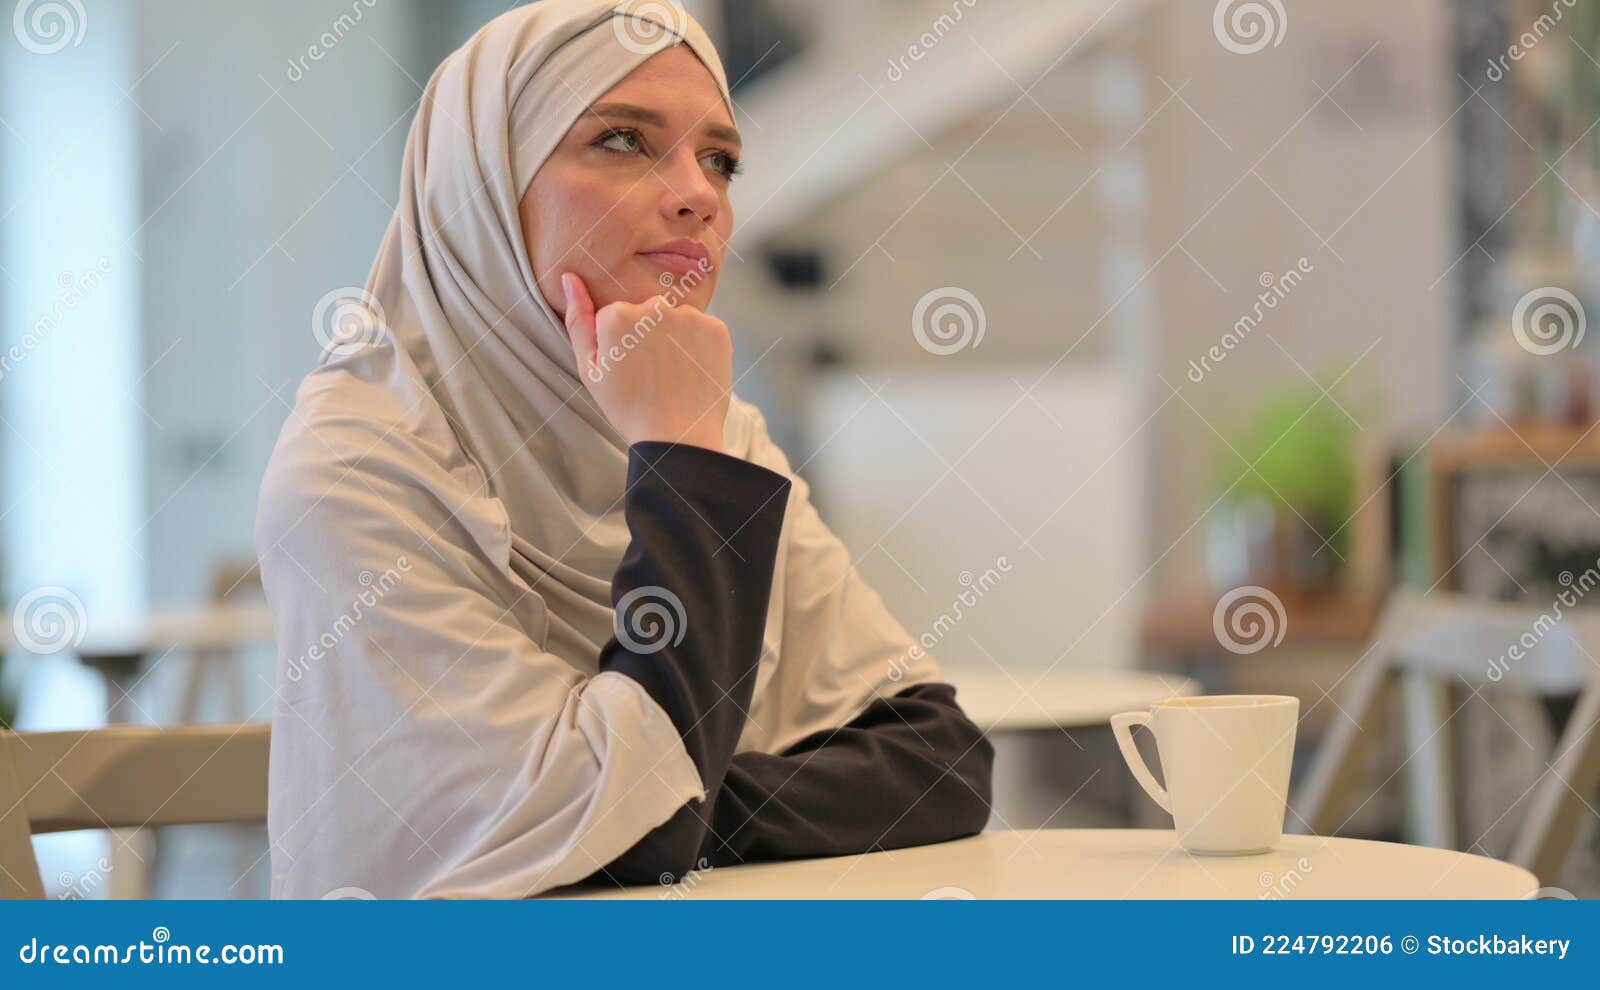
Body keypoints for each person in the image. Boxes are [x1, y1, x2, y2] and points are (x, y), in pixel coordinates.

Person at [254, 0, 993, 899]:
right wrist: (683, 457)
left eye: (720, 158)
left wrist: (666, 811)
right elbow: (613, 845)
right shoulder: (358, 465)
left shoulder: (715, 436)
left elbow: (940, 761)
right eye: (623, 141)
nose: (701, 195)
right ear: (482, 185)